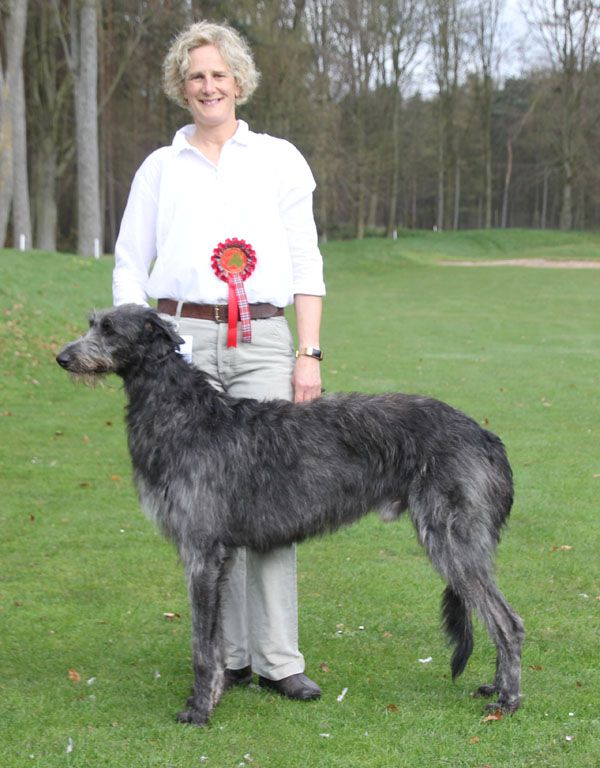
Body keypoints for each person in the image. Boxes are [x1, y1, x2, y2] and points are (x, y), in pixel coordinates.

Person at [112, 20, 325, 701]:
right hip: (180, 347)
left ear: (239, 82)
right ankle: (226, 659)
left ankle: (279, 659)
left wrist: (308, 353)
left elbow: (305, 262)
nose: (209, 86)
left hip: (263, 338)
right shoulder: (160, 167)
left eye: (219, 75)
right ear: (183, 87)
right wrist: (133, 339)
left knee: (272, 499)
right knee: (204, 511)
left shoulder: (278, 159)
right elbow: (129, 262)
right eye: (196, 76)